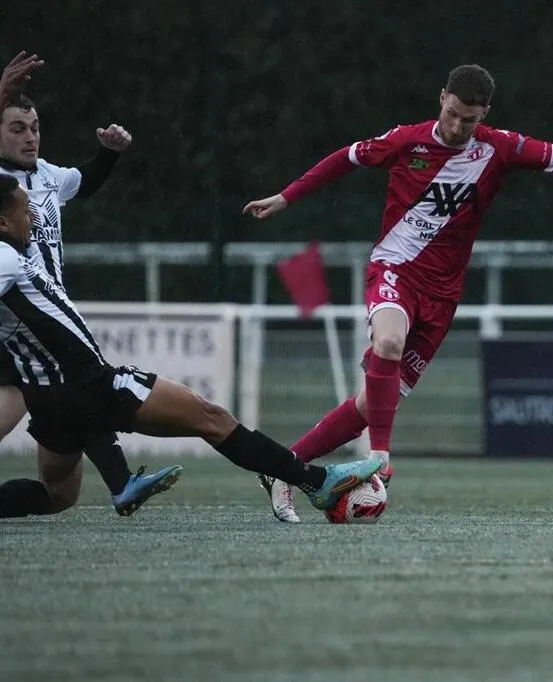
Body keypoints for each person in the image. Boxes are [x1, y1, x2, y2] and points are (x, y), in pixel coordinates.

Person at [244, 64, 553, 523]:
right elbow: (344, 158)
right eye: (452, 114)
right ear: (441, 99)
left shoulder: (498, 147)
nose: (457, 127)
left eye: (469, 120)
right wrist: (287, 196)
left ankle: (282, 467)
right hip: (394, 269)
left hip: (443, 296)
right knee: (389, 343)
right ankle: (379, 457)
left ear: (484, 114)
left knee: (371, 401)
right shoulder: (406, 141)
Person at [0, 175, 383, 519]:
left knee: (58, 494)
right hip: (90, 386)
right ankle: (317, 481)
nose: (34, 218)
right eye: (24, 211)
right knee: (211, 420)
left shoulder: (16, 254)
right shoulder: (4, 257)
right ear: (2, 222)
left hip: (48, 399)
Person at [0, 54, 186, 517]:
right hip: (16, 319)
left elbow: (84, 182)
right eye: (17, 127)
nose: (30, 135)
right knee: (80, 380)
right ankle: (123, 483)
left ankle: (123, 483)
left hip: (34, 323)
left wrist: (109, 153)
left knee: (61, 491)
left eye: (35, 126)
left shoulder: (45, 176)